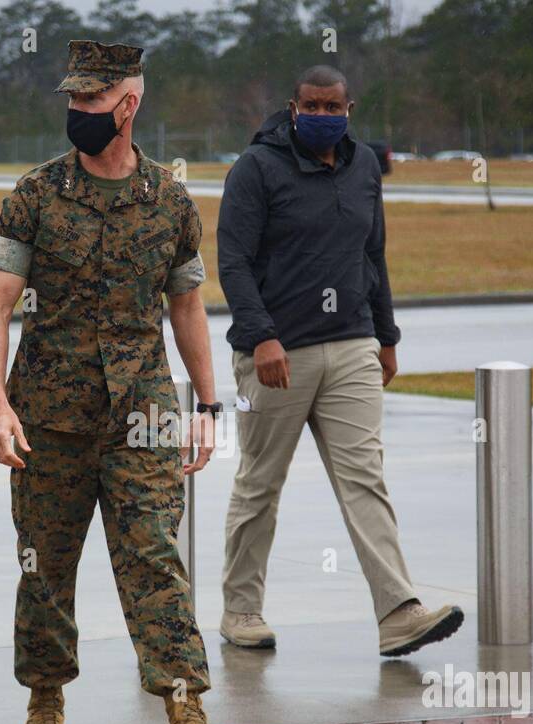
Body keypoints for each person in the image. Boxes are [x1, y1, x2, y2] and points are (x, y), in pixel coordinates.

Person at [0, 40, 243, 724]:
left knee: (154, 555)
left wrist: (208, 405)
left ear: (128, 106)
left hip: (142, 410)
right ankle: (46, 704)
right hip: (48, 414)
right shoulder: (34, 194)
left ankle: (185, 718)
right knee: (45, 566)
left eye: (92, 102)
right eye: (73, 100)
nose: (78, 113)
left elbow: (187, 307)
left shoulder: (170, 200)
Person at [216, 65, 463, 658]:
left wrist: (386, 335)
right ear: (292, 106)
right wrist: (262, 337)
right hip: (277, 353)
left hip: (352, 343)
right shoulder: (256, 168)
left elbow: (371, 252)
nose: (324, 116)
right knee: (260, 484)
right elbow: (233, 263)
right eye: (312, 106)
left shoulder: (363, 166)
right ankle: (241, 611)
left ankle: (399, 612)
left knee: (365, 480)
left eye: (334, 107)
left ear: (349, 108)